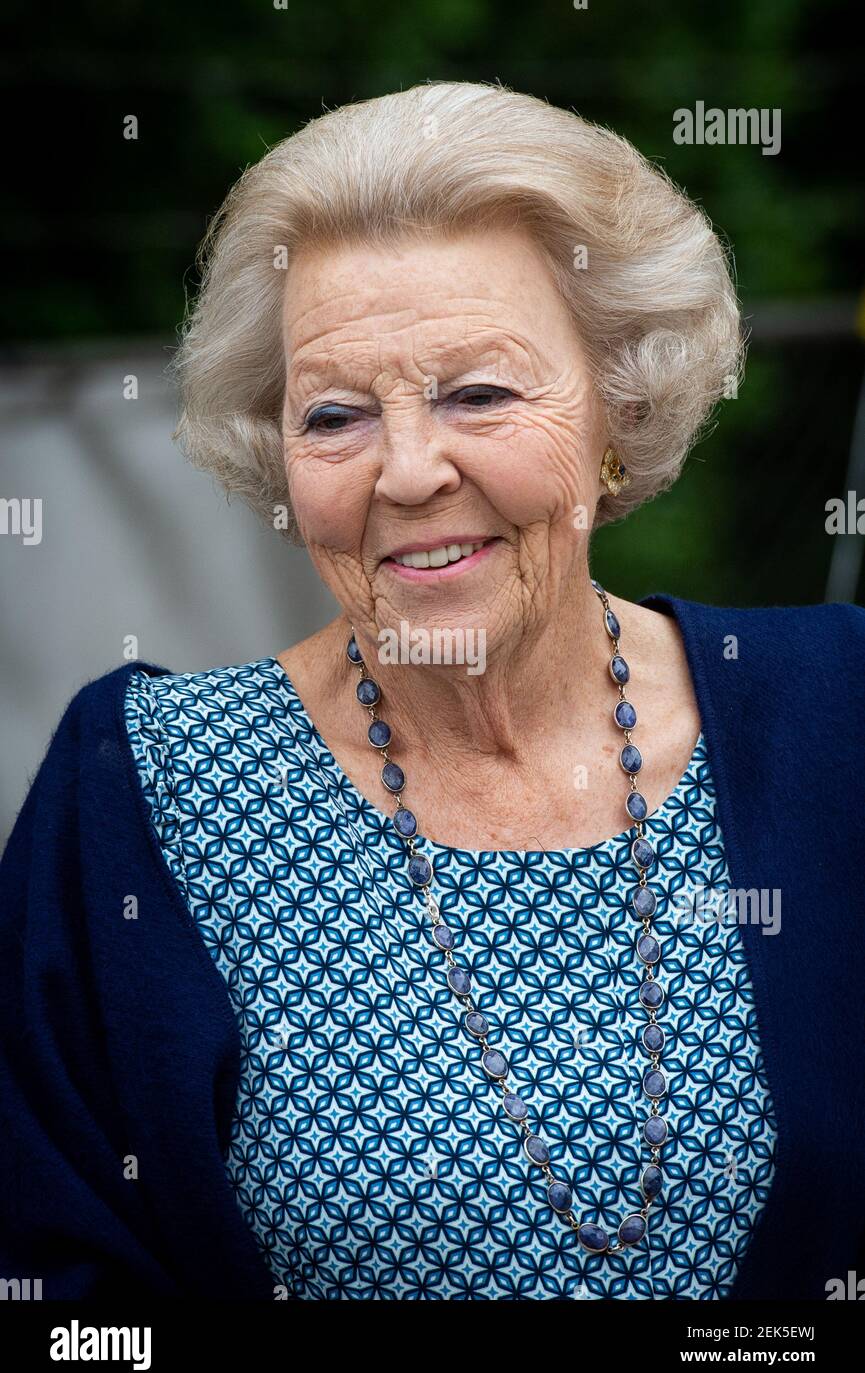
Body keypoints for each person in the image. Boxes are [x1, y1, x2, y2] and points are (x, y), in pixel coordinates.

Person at [1, 80, 863, 1302]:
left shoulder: (837, 719)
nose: (408, 473)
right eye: (336, 415)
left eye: (480, 394)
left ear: (616, 408)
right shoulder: (140, 787)